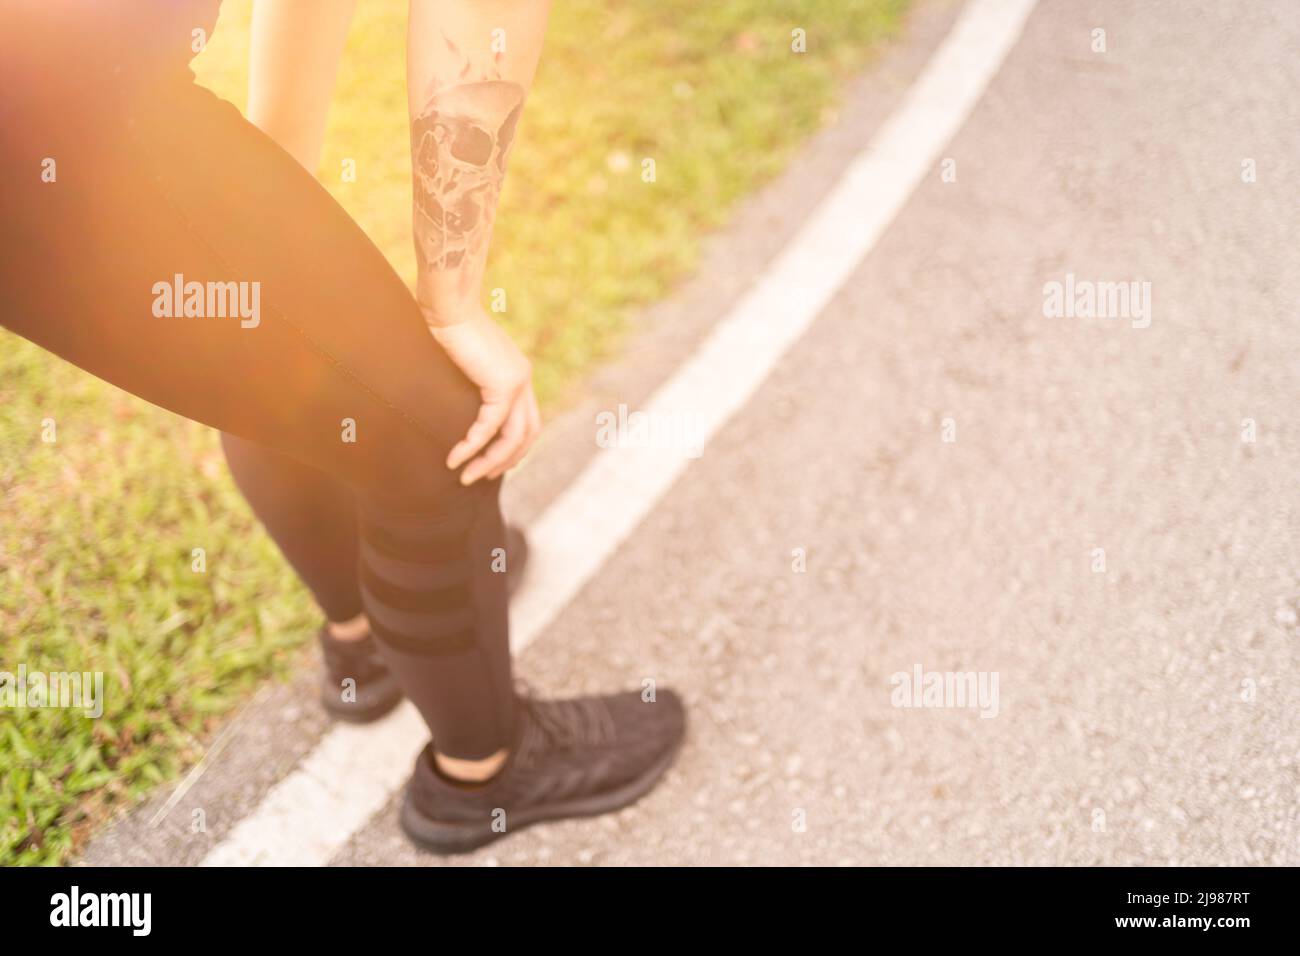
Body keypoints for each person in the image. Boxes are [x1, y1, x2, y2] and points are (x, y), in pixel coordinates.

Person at [0, 0, 685, 854]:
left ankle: (365, 641)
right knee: (441, 432)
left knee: (282, 369)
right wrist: (453, 304)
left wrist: (277, 187)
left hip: (54, 107)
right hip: (62, 118)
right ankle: (484, 773)